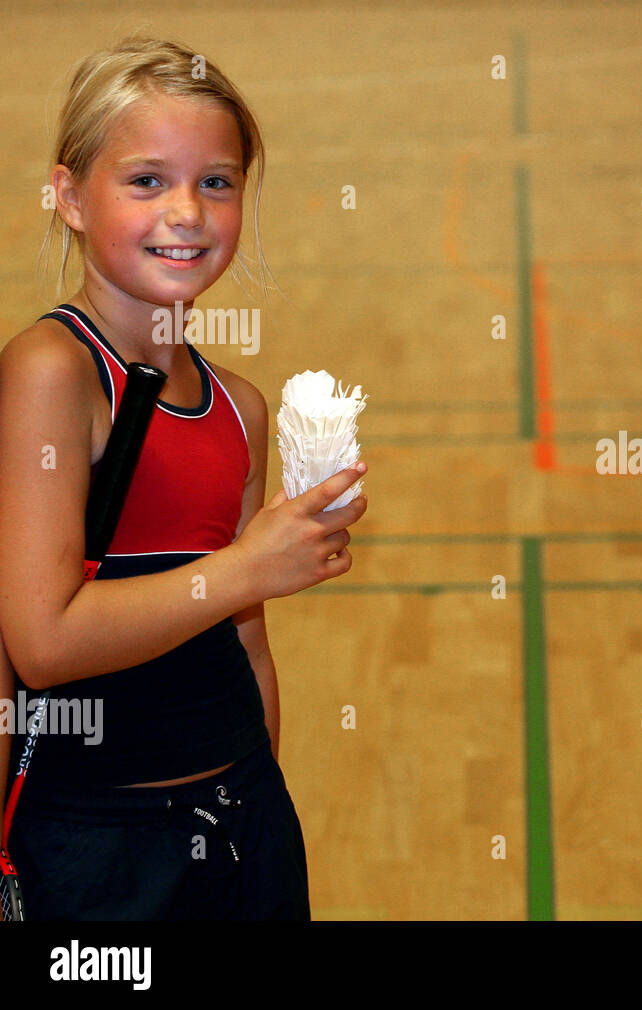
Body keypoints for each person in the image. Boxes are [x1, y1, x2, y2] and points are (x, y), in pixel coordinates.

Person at [0, 37, 367, 920]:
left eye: (217, 181)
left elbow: (247, 645)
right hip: (92, 851)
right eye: (146, 180)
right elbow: (42, 643)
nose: (187, 212)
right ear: (68, 195)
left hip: (243, 829)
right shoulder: (53, 371)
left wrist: (267, 820)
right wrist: (246, 567)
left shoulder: (241, 408)